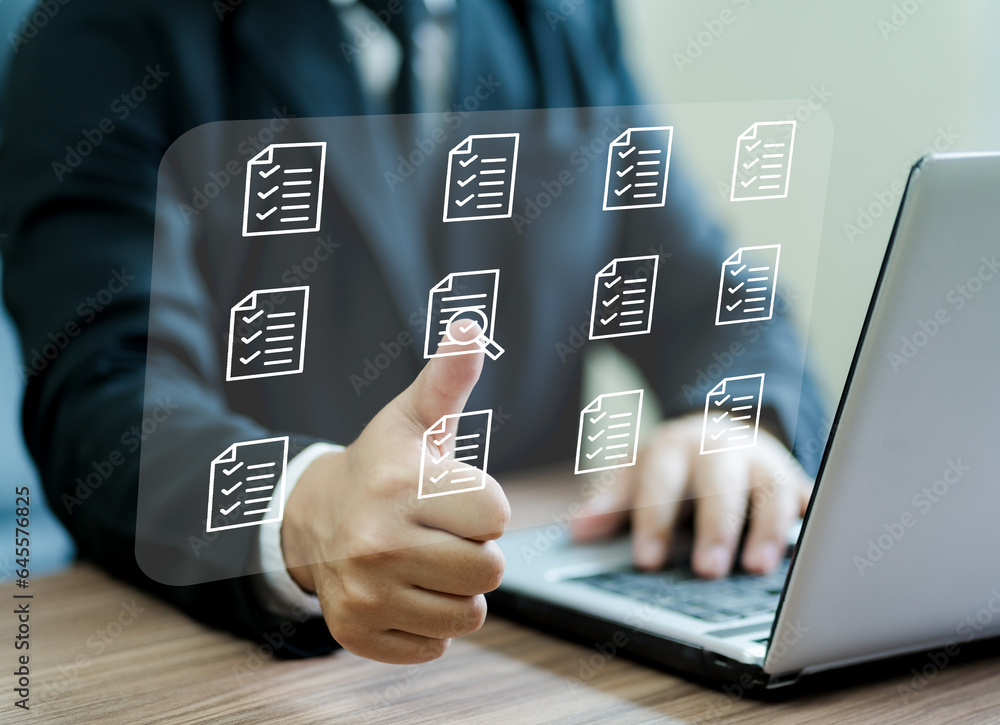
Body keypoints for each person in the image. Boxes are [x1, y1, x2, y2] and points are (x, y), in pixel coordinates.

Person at [0, 0, 824, 663]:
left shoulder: (566, 17)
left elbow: (715, 298)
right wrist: (304, 509)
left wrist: (735, 421)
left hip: (541, 642)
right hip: (243, 664)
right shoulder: (100, 34)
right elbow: (108, 392)